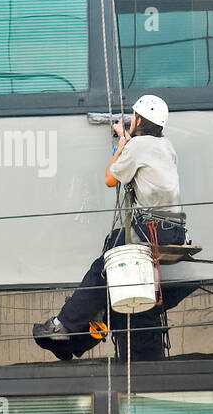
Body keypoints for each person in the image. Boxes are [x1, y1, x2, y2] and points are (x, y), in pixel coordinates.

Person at [33, 94, 194, 361]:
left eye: (134, 118)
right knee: (114, 264)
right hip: (174, 229)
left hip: (154, 228)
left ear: (139, 119)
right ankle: (76, 340)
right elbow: (142, 156)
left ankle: (65, 325)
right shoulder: (165, 146)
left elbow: (110, 179)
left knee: (106, 265)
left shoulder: (137, 146)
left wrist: (120, 146)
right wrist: (127, 140)